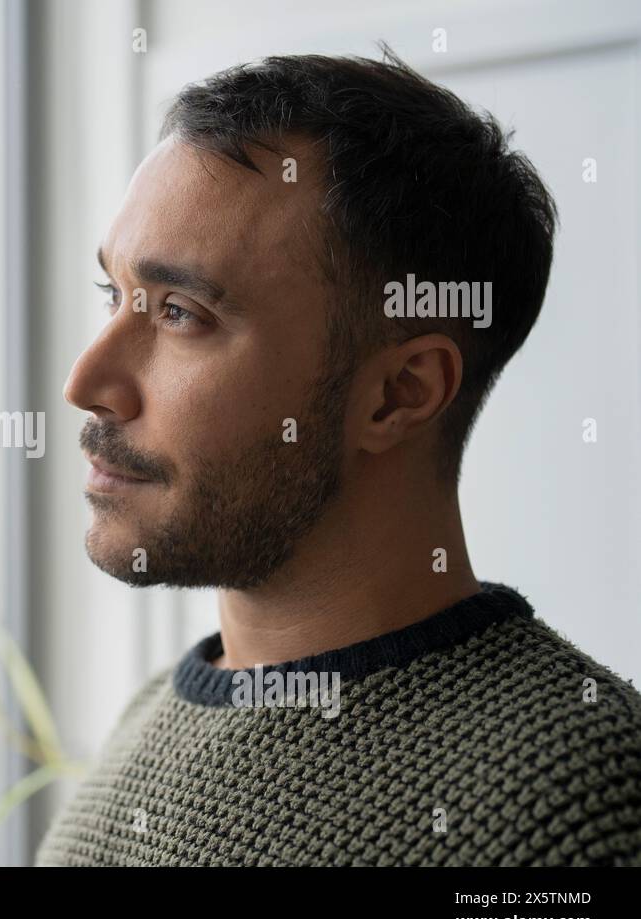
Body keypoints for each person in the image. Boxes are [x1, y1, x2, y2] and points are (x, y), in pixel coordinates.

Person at [37, 49, 641, 866]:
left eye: (180, 312)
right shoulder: (143, 734)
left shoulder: (574, 806)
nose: (86, 382)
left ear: (400, 394)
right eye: (115, 296)